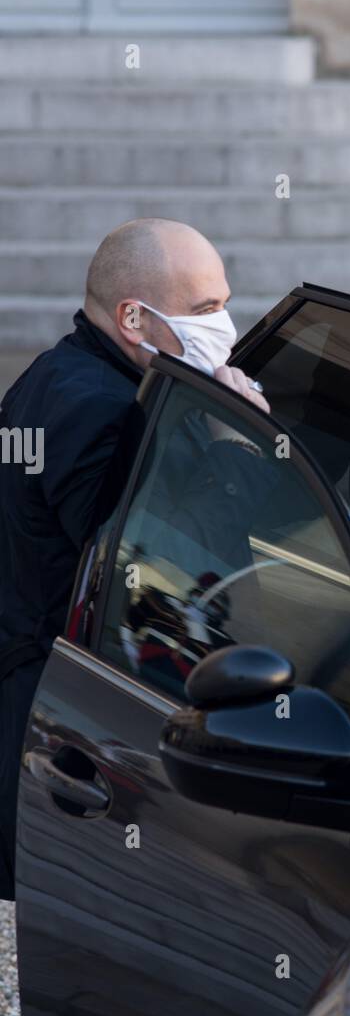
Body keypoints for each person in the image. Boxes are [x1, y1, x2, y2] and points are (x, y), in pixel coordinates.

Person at [0, 218, 268, 901]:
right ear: (133, 317)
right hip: (61, 720)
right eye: (205, 310)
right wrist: (234, 447)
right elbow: (169, 577)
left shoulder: (65, 370)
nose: (225, 326)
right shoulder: (101, 408)